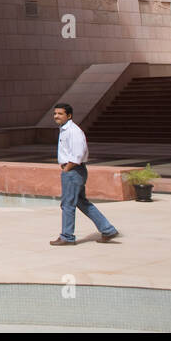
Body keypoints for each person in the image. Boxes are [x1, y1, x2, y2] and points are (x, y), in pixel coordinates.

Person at [50, 104, 118, 245]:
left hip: (73, 171)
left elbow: (78, 154)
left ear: (69, 116)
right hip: (74, 171)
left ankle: (66, 237)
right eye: (55, 113)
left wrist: (67, 168)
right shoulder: (64, 129)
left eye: (60, 114)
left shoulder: (73, 131)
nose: (56, 116)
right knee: (81, 202)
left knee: (68, 204)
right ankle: (108, 229)